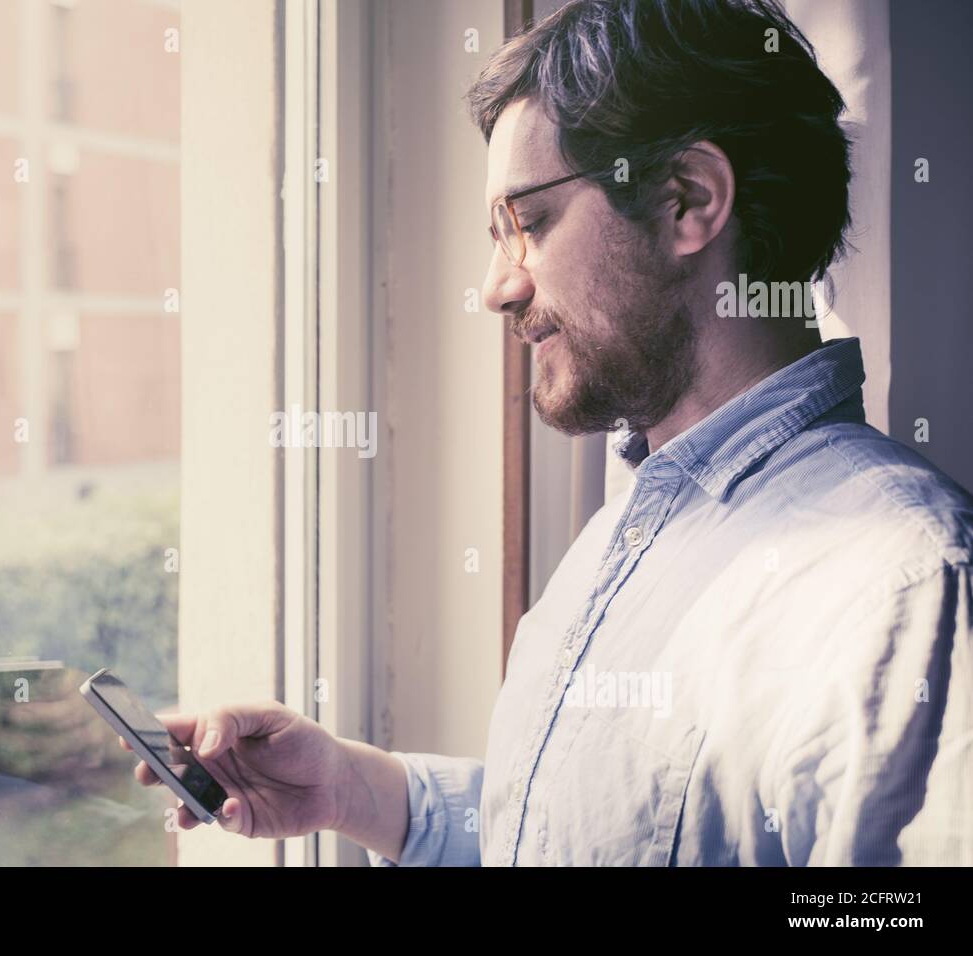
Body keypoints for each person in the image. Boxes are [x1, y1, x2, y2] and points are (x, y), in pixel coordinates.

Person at [124, 0, 973, 865]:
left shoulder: (901, 589)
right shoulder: (627, 534)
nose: (497, 287)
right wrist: (356, 789)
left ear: (688, 198)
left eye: (526, 225)